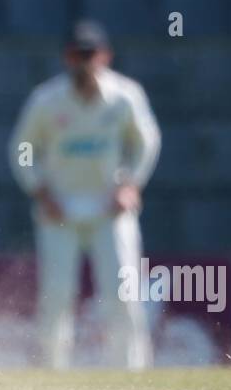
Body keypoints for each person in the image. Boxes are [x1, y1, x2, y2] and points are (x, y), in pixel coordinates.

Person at [9, 20, 161, 370]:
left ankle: (132, 375)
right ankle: (53, 373)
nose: (85, 61)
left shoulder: (125, 96)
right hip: (60, 209)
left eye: (91, 54)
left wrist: (131, 185)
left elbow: (146, 142)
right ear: (67, 57)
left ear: (105, 56)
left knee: (122, 295)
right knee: (57, 295)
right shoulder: (46, 100)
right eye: (79, 54)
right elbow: (22, 148)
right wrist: (40, 191)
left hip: (110, 209)